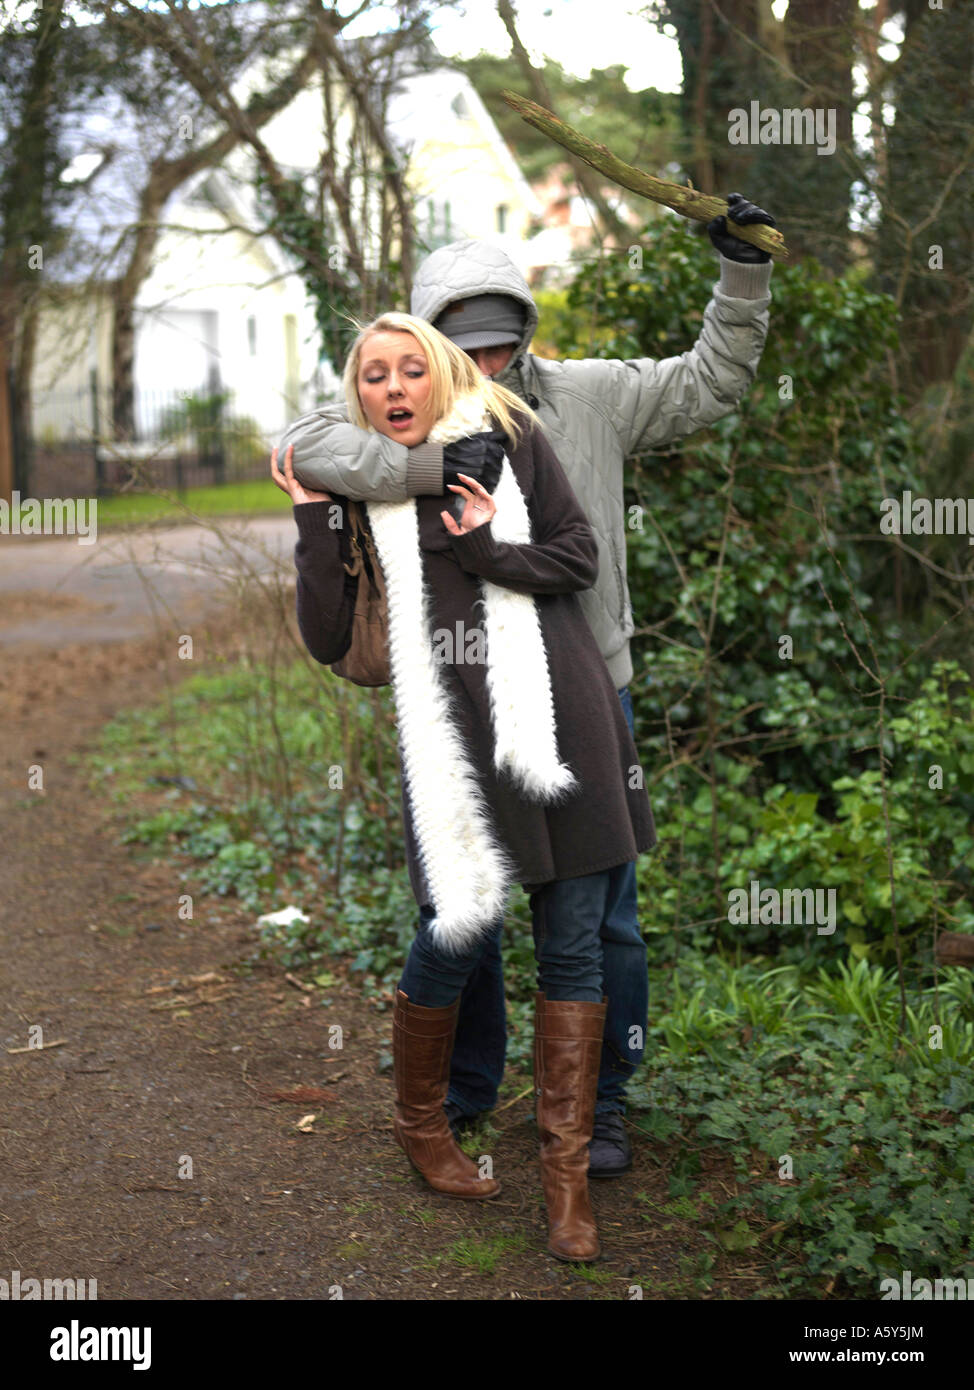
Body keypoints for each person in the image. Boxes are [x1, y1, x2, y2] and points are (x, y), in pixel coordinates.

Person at [276, 194, 776, 1174]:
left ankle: (601, 1102)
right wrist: (425, 470)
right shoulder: (400, 427)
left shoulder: (590, 397)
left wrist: (741, 273)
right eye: (468, 346)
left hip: (591, 698)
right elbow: (303, 444)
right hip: (456, 709)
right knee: (465, 913)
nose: (490, 365)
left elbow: (710, 382)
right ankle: (462, 1096)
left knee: (604, 922)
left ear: (522, 334)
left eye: (500, 344)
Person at [275, 312, 655, 1261]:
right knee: (453, 935)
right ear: (356, 391)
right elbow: (328, 640)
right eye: (375, 376)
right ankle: (424, 1125)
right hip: (453, 743)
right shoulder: (358, 479)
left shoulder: (508, 438)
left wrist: (488, 550)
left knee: (573, 950)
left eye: (412, 370)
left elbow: (577, 557)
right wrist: (313, 518)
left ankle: (567, 1185)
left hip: (560, 719)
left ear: (440, 376)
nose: (395, 390)